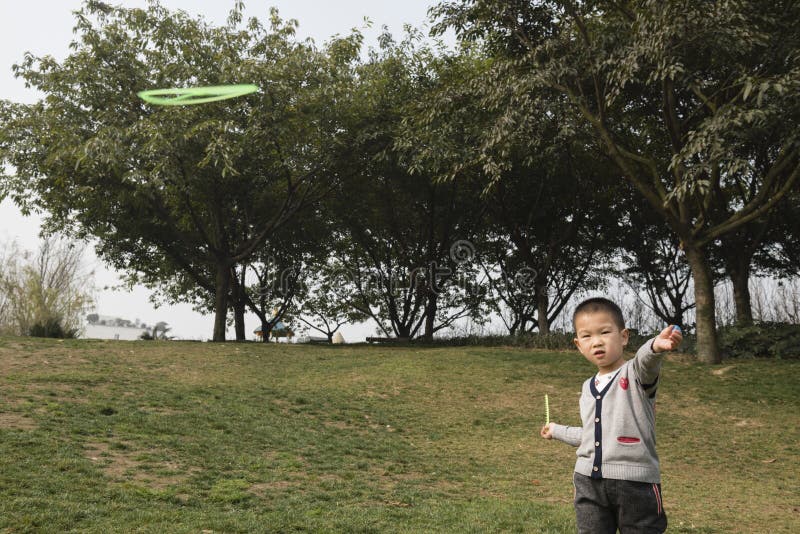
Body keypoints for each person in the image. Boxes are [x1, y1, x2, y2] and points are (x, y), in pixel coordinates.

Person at [541, 297, 682, 533]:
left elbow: (646, 360)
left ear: (624, 336)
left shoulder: (636, 374)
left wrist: (655, 346)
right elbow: (592, 435)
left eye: (605, 332)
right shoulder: (587, 387)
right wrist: (556, 431)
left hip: (635, 483)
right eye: (587, 336)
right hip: (588, 481)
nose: (596, 342)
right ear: (578, 344)